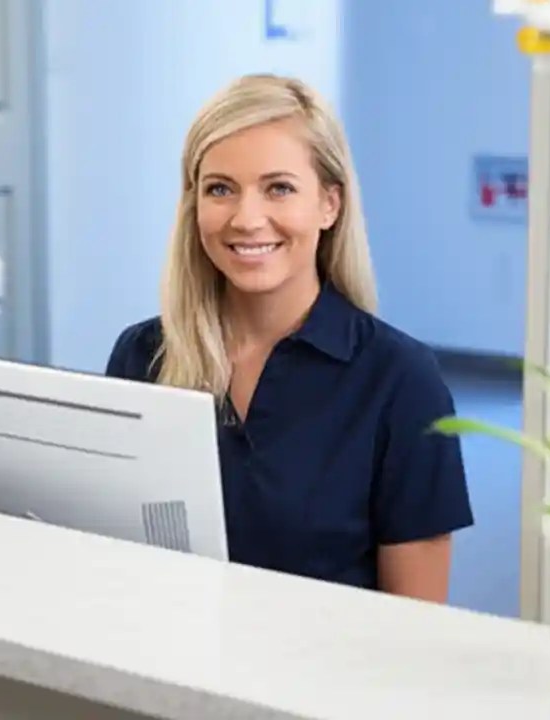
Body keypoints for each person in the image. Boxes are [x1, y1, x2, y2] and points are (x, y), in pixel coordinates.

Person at [105, 74, 472, 602]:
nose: (247, 219)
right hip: (163, 676)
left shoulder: (402, 382)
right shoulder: (141, 356)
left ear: (329, 204)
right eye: (220, 189)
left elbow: (418, 628)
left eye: (279, 188)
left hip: (324, 681)